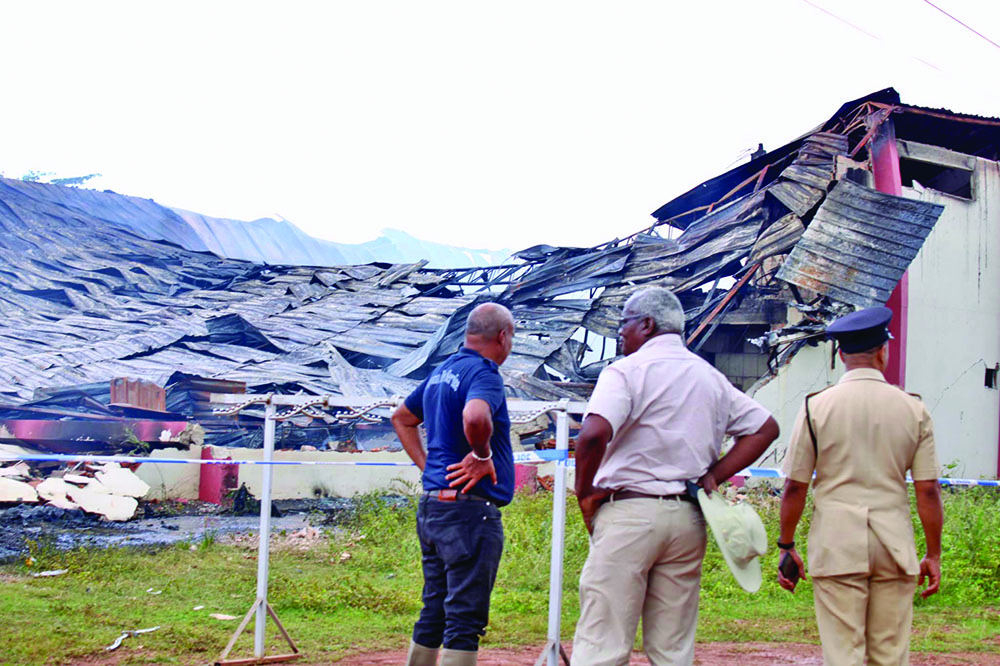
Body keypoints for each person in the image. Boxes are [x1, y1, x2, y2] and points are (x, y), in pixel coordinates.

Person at [572, 286, 779, 666]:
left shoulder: (626, 371)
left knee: (603, 643)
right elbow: (765, 428)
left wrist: (584, 491)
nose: (620, 333)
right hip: (688, 517)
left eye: (625, 324)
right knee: (672, 649)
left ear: (647, 325)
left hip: (630, 511)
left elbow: (593, 434)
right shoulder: (709, 376)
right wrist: (714, 474)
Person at [777, 306, 944, 666]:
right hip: (894, 545)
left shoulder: (815, 408)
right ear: (883, 352)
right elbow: (927, 490)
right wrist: (933, 553)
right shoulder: (913, 409)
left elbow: (795, 487)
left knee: (843, 654)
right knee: (889, 654)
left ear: (841, 355)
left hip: (837, 544)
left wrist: (786, 545)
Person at [391, 302, 516, 666]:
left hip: (434, 506)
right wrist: (480, 455)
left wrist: (428, 468)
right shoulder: (484, 373)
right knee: (465, 616)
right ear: (502, 336)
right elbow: (476, 416)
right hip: (468, 512)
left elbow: (402, 418)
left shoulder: (442, 371)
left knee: (435, 608)